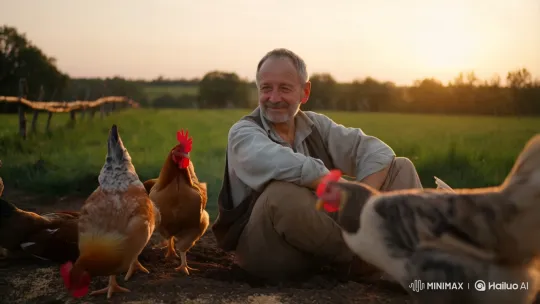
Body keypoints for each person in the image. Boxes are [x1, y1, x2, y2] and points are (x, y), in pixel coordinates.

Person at [211, 48, 423, 280]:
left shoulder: (316, 126)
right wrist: (341, 188)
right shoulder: (243, 133)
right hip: (269, 250)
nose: (273, 98)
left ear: (305, 92)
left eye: (284, 88)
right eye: (266, 88)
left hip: (320, 240)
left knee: (400, 167)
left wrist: (363, 197)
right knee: (280, 194)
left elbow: (377, 152)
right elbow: (283, 164)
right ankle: (368, 260)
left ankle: (405, 254)